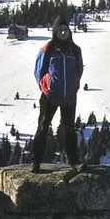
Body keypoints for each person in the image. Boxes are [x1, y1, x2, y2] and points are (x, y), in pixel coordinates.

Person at [32, 16, 84, 172]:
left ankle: (74, 162)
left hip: (69, 96)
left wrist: (74, 85)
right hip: (50, 95)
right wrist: (47, 86)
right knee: (43, 126)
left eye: (65, 30)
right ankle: (36, 162)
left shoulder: (75, 50)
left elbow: (79, 70)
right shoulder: (48, 49)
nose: (63, 32)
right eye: (60, 30)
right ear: (55, 32)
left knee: (69, 128)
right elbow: (39, 71)